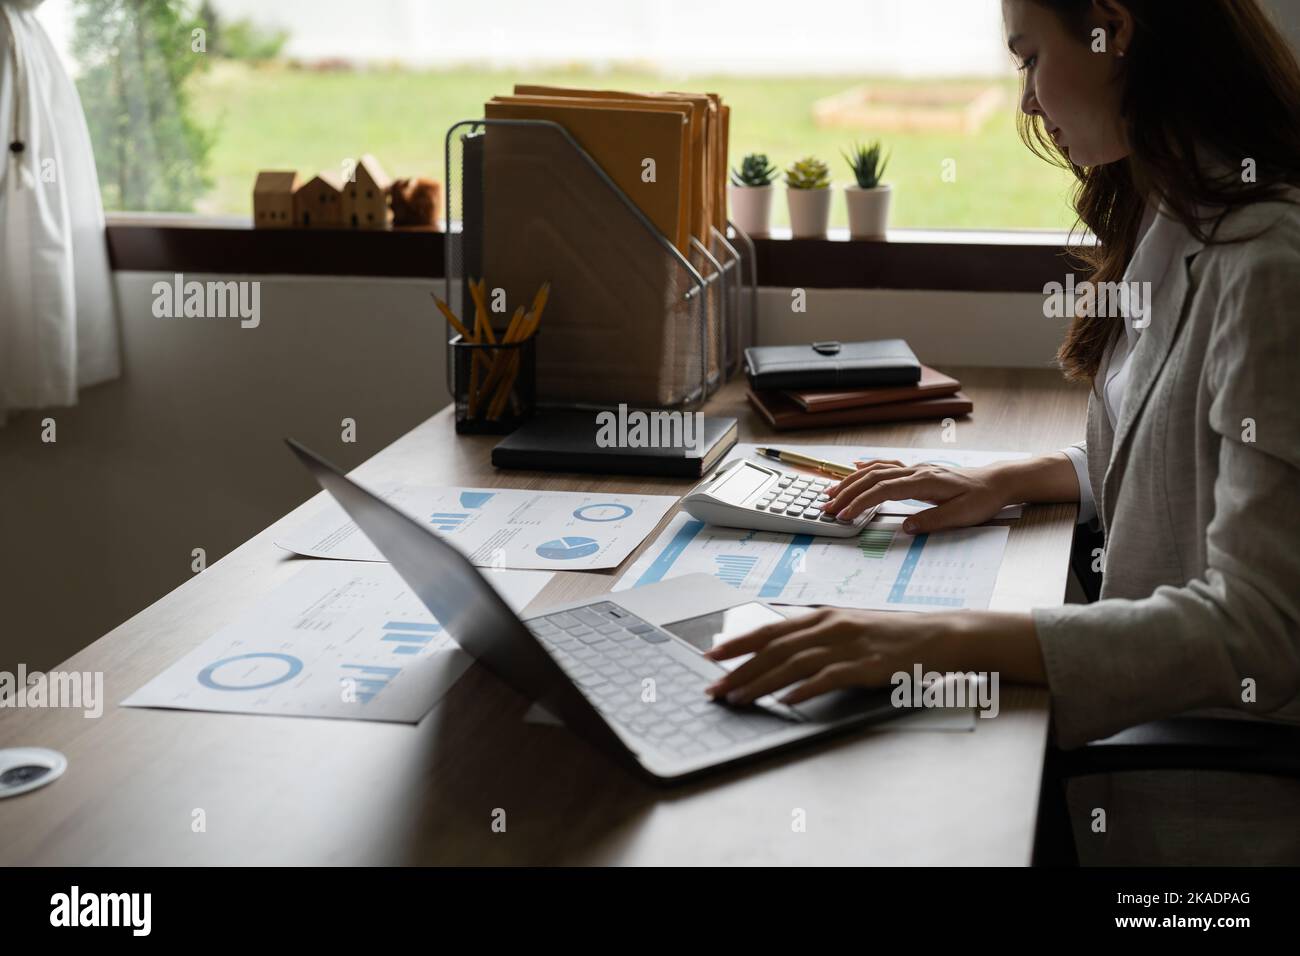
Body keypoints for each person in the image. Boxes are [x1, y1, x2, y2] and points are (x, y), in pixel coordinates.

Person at [706, 0, 1300, 864]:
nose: (1026, 100)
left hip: (1207, 827)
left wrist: (923, 638)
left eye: (1028, 58)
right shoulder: (1179, 216)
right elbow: (1186, 455)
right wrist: (1012, 478)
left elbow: (1261, 629)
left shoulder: (1271, 266)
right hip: (1127, 746)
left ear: (1113, 26)